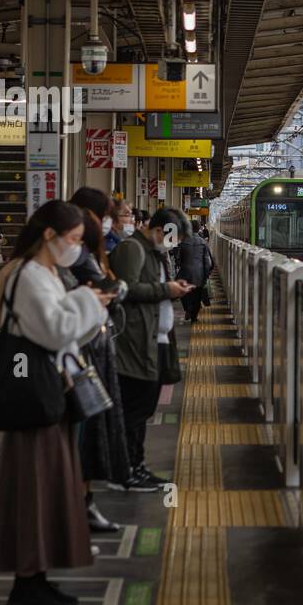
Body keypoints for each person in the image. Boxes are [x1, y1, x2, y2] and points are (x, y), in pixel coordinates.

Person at [0, 200, 114, 605]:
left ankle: (36, 580)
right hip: (33, 402)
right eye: (74, 240)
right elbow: (57, 331)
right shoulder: (32, 277)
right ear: (49, 235)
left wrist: (85, 303)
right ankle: (26, 586)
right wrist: (88, 301)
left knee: (45, 490)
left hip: (45, 399)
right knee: (34, 492)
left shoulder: (42, 274)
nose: (76, 248)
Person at [108, 207, 193, 491]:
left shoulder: (154, 253)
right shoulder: (132, 249)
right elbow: (126, 289)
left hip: (153, 339)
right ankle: (125, 470)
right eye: (173, 237)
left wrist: (171, 287)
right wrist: (165, 291)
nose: (175, 243)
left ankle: (137, 465)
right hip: (134, 340)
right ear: (160, 230)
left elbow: (150, 286)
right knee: (135, 407)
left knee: (144, 407)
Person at [65, 202, 133, 527]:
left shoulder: (71, 263)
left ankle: (81, 508)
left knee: (87, 437)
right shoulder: (46, 271)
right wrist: (93, 300)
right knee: (81, 438)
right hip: (76, 363)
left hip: (85, 357)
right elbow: (56, 326)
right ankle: (73, 513)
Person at [176, 218, 214, 323]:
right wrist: (206, 274)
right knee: (197, 296)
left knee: (184, 292)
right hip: (199, 274)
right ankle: (194, 317)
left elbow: (178, 259)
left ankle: (188, 309)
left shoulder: (183, 241)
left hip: (185, 273)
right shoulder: (203, 242)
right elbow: (208, 262)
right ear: (199, 229)